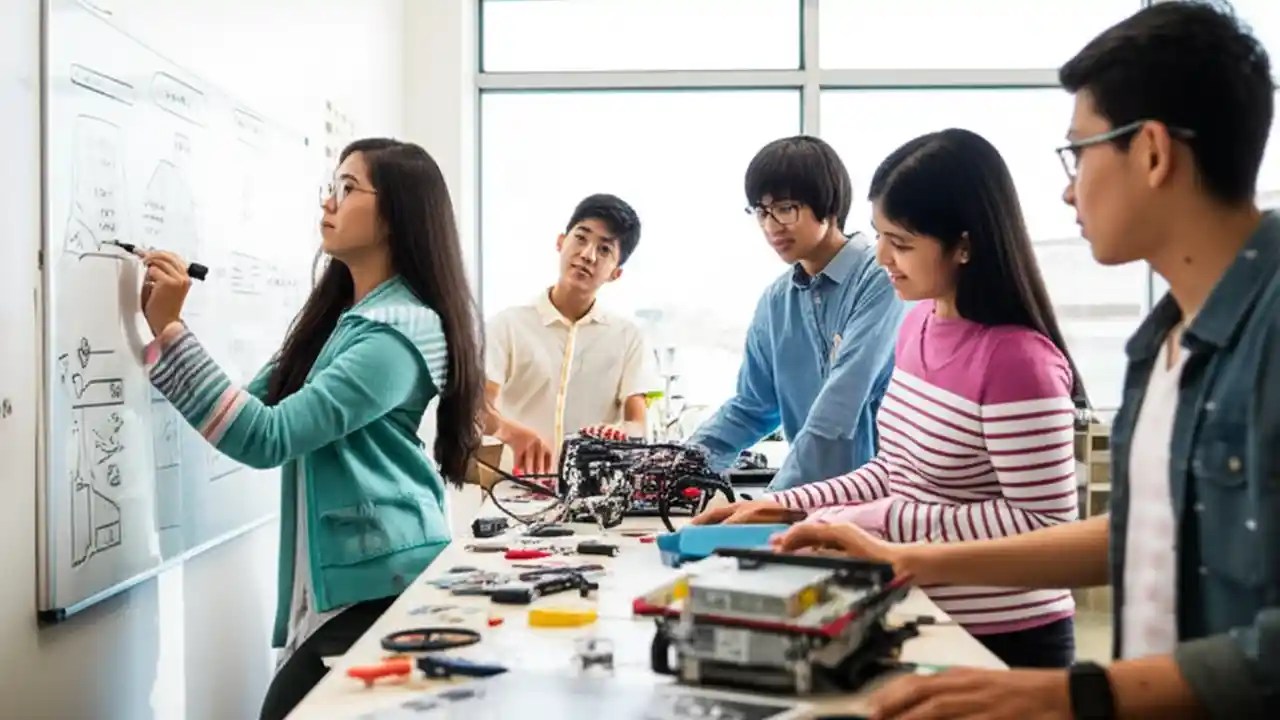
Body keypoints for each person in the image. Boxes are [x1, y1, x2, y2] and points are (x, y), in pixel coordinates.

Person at [773, 3, 1279, 718]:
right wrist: (905, 557)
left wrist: (1068, 695)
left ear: (1153, 152)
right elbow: (1133, 537)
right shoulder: (1161, 344)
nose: (1068, 188)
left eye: (1080, 151)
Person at [695, 128, 1089, 668]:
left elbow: (1046, 529)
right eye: (880, 235)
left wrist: (867, 523)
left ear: (965, 245)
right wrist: (785, 504)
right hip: (919, 608)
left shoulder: (1019, 362)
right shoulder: (918, 324)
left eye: (901, 243)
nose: (881, 257)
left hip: (1002, 637)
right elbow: (892, 470)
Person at [136, 139, 484, 720]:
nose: (329, 202)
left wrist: (171, 329)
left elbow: (264, 438)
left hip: (383, 582)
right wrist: (168, 331)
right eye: (332, 185)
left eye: (349, 189)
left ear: (397, 214)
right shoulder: (339, 322)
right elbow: (243, 412)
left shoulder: (397, 335)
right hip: (345, 584)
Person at [687, 135, 906, 491]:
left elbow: (841, 407)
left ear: (828, 204)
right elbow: (751, 406)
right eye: (761, 211)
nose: (771, 225)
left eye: (786, 208)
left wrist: (774, 502)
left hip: (887, 500)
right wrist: (678, 466)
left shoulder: (881, 278)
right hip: (810, 507)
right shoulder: (776, 302)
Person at [483, 193, 658, 474]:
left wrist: (618, 432)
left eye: (604, 250)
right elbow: (478, 408)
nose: (587, 255)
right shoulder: (507, 325)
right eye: (581, 238)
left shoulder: (628, 337)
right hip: (514, 490)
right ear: (560, 241)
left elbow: (637, 424)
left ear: (616, 273)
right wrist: (512, 433)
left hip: (594, 498)